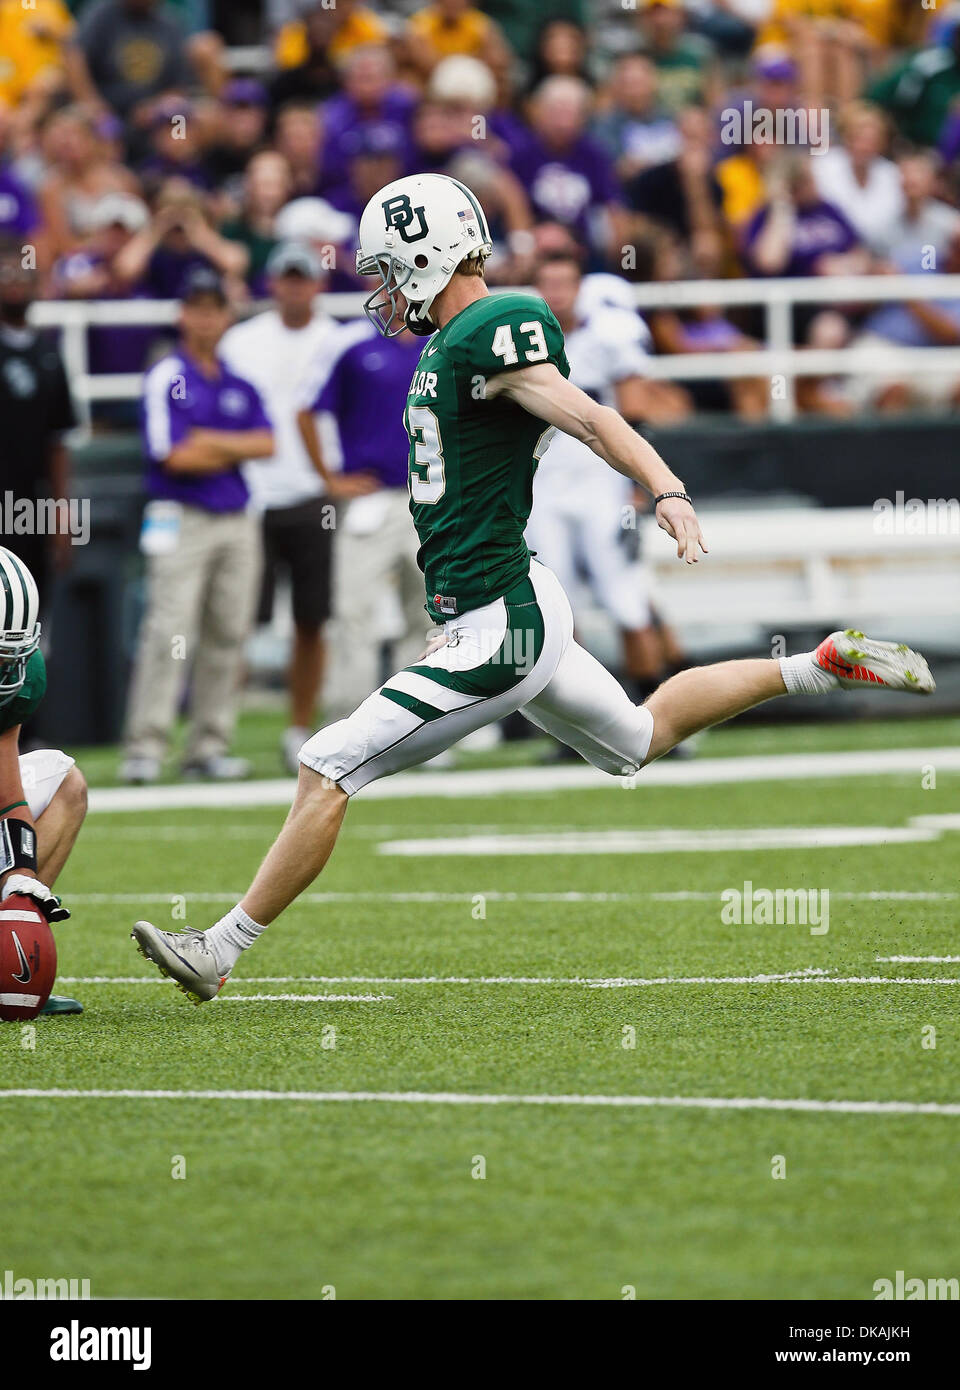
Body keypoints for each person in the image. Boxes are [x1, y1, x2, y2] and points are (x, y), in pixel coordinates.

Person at [130, 172, 936, 1003]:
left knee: (330, 760)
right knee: (636, 736)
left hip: (503, 620)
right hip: (500, 605)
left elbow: (588, 415)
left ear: (424, 253)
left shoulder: (491, 326)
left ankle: (219, 949)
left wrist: (667, 488)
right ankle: (823, 661)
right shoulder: (453, 338)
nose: (378, 287)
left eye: (385, 267)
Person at [218, 241, 371, 772]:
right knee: (235, 622)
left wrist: (336, 478)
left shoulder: (339, 340)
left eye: (302, 278)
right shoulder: (241, 342)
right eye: (286, 278)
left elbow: (354, 413)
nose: (294, 287)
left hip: (313, 497)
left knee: (313, 618)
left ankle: (300, 728)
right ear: (271, 283)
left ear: (318, 284)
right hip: (251, 494)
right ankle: (215, 735)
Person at [120, 267, 274, 785]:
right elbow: (172, 455)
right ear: (183, 314)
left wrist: (208, 440)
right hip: (181, 516)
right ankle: (145, 746)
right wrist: (229, 445)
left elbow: (267, 444)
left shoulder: (237, 381)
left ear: (227, 316)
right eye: (198, 308)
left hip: (235, 518)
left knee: (228, 633)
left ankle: (209, 745)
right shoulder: (168, 374)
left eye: (216, 308)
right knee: (168, 631)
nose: (207, 318)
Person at [525, 251, 683, 706]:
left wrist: (637, 486)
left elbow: (636, 416)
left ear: (579, 288)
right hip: (543, 489)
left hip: (601, 485)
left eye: (564, 283)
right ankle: (582, 717)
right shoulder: (523, 342)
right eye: (548, 284)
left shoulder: (607, 338)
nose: (556, 294)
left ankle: (657, 711)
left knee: (626, 599)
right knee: (558, 610)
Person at [297, 319, 425, 720]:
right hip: (372, 499)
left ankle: (420, 722)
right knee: (354, 611)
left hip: (430, 496)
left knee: (429, 612)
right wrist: (330, 478)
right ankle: (350, 722)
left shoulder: (442, 339)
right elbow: (306, 409)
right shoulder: (350, 342)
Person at [0, 546, 88, 1017]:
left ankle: (10, 952)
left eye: (6, 654)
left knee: (66, 782)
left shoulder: (21, 674)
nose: (3, 669)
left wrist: (23, 874)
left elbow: (7, 793)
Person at [0, 241, 75, 606]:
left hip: (32, 509)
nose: (15, 283)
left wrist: (62, 518)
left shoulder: (49, 355)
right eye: (6, 275)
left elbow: (59, 441)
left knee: (29, 616)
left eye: (23, 275)